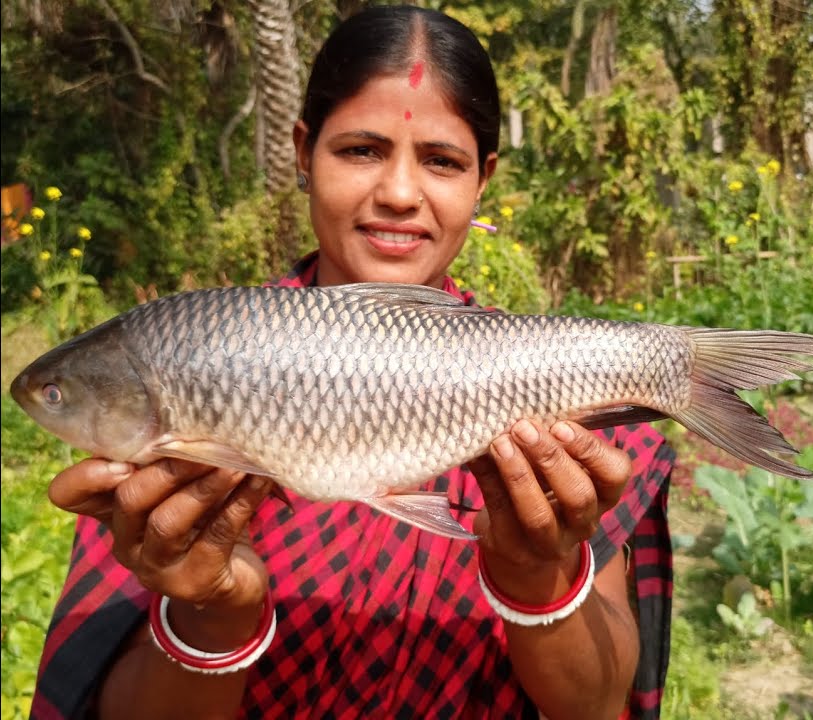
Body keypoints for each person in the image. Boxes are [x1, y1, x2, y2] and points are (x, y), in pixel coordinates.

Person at [29, 7, 675, 719]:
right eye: (361, 150)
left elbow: (598, 704)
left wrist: (538, 577)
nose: (399, 194)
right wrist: (211, 615)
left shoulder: (555, 401)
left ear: (482, 178)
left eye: (442, 160)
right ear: (304, 152)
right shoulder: (198, 360)